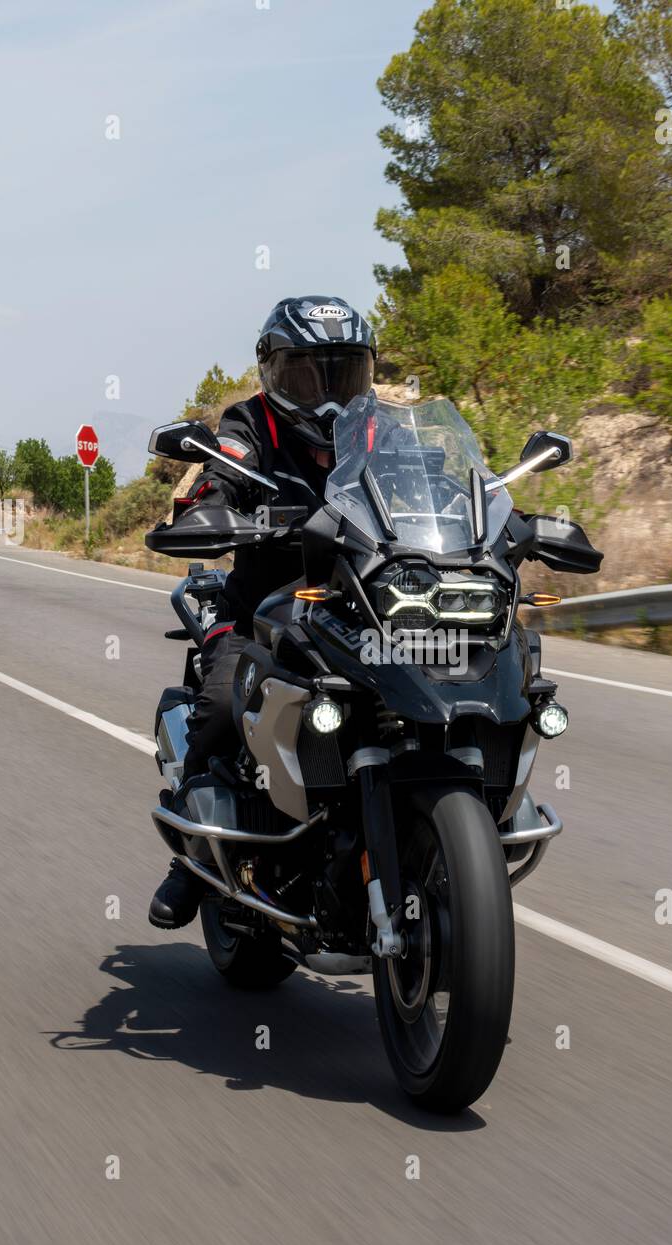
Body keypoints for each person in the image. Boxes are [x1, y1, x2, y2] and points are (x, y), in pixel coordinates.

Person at [149, 295, 377, 928]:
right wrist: (209, 507)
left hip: (366, 611)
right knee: (225, 700)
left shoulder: (378, 428)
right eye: (310, 373)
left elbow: (434, 480)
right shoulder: (247, 425)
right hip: (263, 612)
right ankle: (192, 857)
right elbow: (218, 475)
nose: (329, 392)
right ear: (275, 370)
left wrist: (496, 512)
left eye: (345, 372)